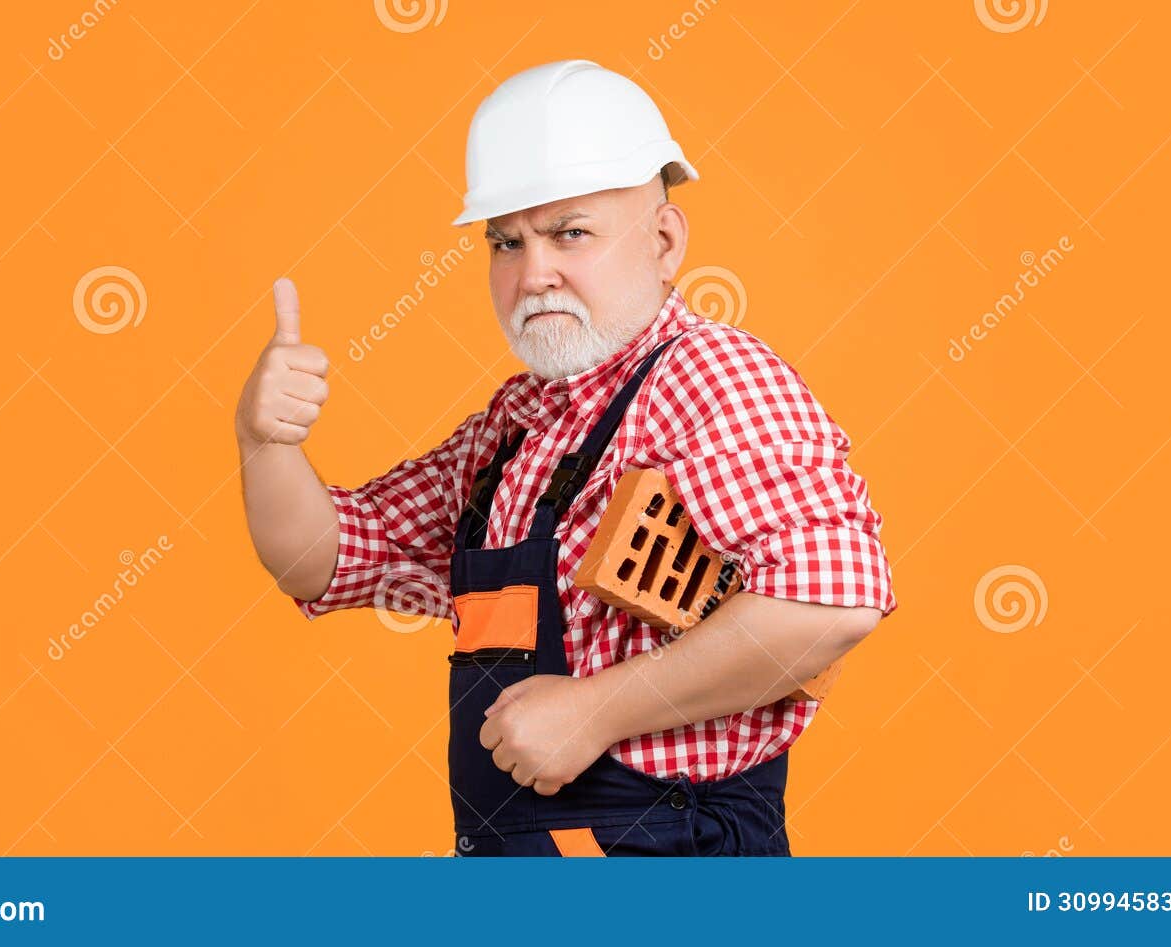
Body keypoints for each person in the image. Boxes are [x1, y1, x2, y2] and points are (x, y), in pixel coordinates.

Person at [235, 60, 896, 856]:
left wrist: (595, 710)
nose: (533, 273)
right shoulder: (513, 431)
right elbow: (326, 559)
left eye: (570, 233)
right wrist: (266, 441)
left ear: (663, 241)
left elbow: (830, 601)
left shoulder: (707, 378)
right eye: (506, 242)